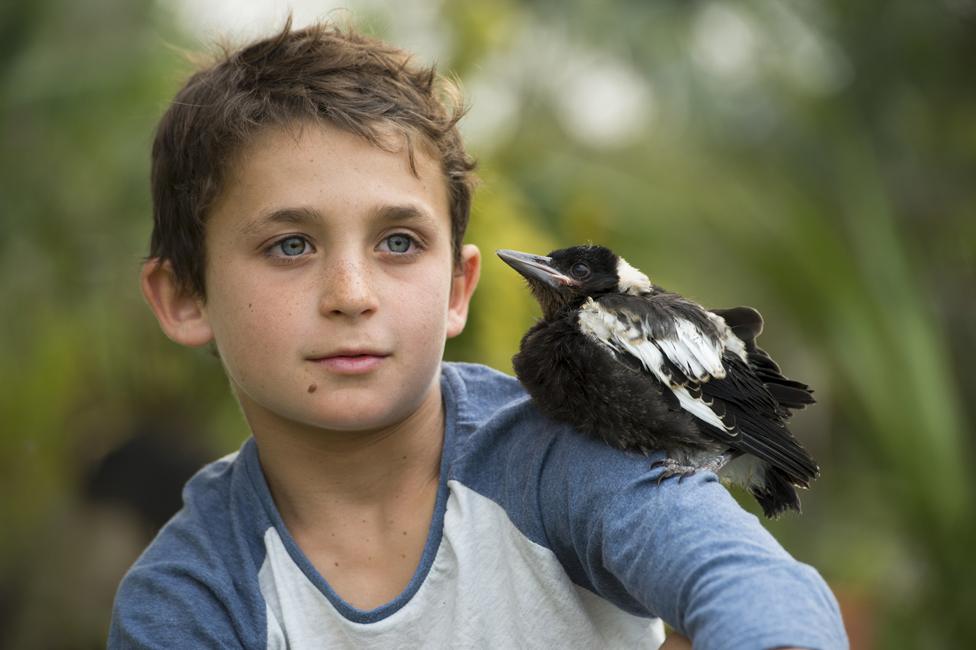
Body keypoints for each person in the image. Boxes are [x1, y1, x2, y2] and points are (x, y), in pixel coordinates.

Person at [109, 18, 848, 650]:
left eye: (398, 242)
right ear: (184, 297)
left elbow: (759, 588)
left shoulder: (565, 462)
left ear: (459, 287)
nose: (351, 296)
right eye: (290, 246)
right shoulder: (189, 597)